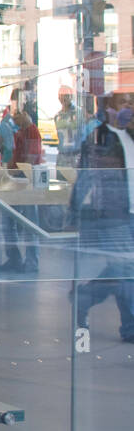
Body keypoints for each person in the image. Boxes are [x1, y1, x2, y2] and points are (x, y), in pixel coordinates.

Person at [70, 93, 134, 342]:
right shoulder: (100, 137)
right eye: (123, 103)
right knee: (127, 268)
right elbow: (85, 175)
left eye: (131, 104)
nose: (128, 107)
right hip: (113, 214)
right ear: (108, 108)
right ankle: (130, 327)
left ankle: (85, 296)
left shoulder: (131, 136)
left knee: (121, 268)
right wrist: (74, 210)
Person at [0, 107, 42, 276]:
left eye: (16, 116)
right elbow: (10, 154)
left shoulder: (32, 132)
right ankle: (13, 258)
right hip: (14, 181)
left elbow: (30, 159)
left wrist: (14, 172)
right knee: (8, 223)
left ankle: (31, 261)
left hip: (27, 182)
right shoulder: (18, 133)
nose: (14, 120)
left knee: (29, 224)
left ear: (25, 115)